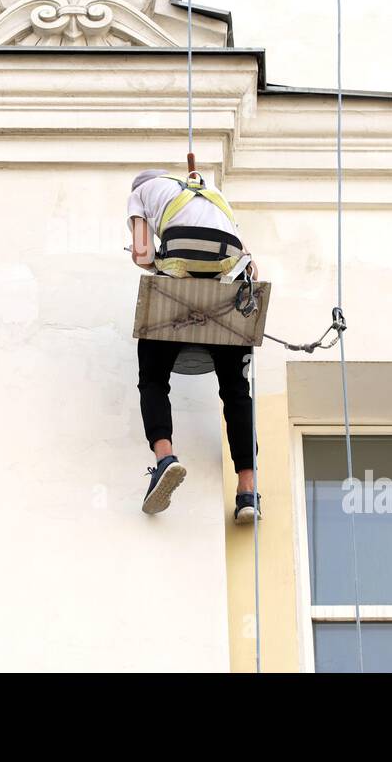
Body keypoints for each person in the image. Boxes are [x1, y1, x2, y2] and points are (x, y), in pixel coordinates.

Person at [127, 168, 261, 523]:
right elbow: (253, 266)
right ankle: (247, 489)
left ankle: (165, 458)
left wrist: (159, 260)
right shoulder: (213, 193)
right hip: (230, 269)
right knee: (236, 389)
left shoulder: (141, 191)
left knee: (153, 378)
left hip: (181, 265)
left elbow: (142, 254)